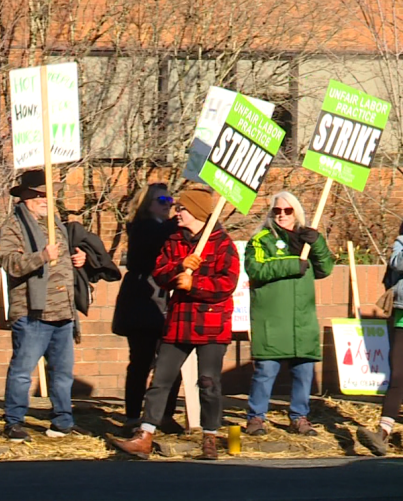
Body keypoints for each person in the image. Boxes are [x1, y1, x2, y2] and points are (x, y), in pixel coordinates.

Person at [111, 188, 239, 460]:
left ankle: (209, 437)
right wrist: (179, 267)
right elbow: (159, 272)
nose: (176, 212)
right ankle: (145, 435)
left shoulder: (222, 243)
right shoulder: (174, 241)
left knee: (208, 382)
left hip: (211, 325)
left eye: (182, 208)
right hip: (179, 321)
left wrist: (195, 284)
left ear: (197, 212)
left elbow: (227, 284)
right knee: (161, 379)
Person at [0, 170, 90, 442]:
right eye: (41, 194)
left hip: (63, 311)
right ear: (27, 196)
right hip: (32, 312)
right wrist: (41, 257)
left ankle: (63, 421)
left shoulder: (55, 223)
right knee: (22, 371)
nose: (46, 199)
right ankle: (14, 421)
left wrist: (77, 259)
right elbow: (10, 263)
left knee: (62, 373)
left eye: (49, 194)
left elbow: (62, 260)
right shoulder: (14, 226)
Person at [244, 192, 333, 437]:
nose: (282, 215)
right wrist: (292, 265)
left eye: (287, 210)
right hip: (272, 319)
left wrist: (318, 244)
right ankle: (256, 417)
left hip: (302, 318)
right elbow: (255, 269)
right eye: (277, 211)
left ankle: (299, 417)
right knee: (265, 371)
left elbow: (325, 268)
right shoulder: (261, 239)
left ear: (296, 212)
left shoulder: (307, 240)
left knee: (304, 371)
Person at [111, 183, 183, 435]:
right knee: (141, 361)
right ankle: (133, 415)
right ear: (146, 204)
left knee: (170, 362)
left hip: (163, 299)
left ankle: (164, 414)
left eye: (170, 201)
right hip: (142, 300)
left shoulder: (166, 229)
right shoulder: (143, 227)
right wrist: (179, 220)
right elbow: (156, 237)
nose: (168, 205)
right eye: (162, 200)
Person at [357, 222, 403, 456]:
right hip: (402, 318)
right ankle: (382, 434)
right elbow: (397, 263)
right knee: (397, 376)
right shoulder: (401, 242)